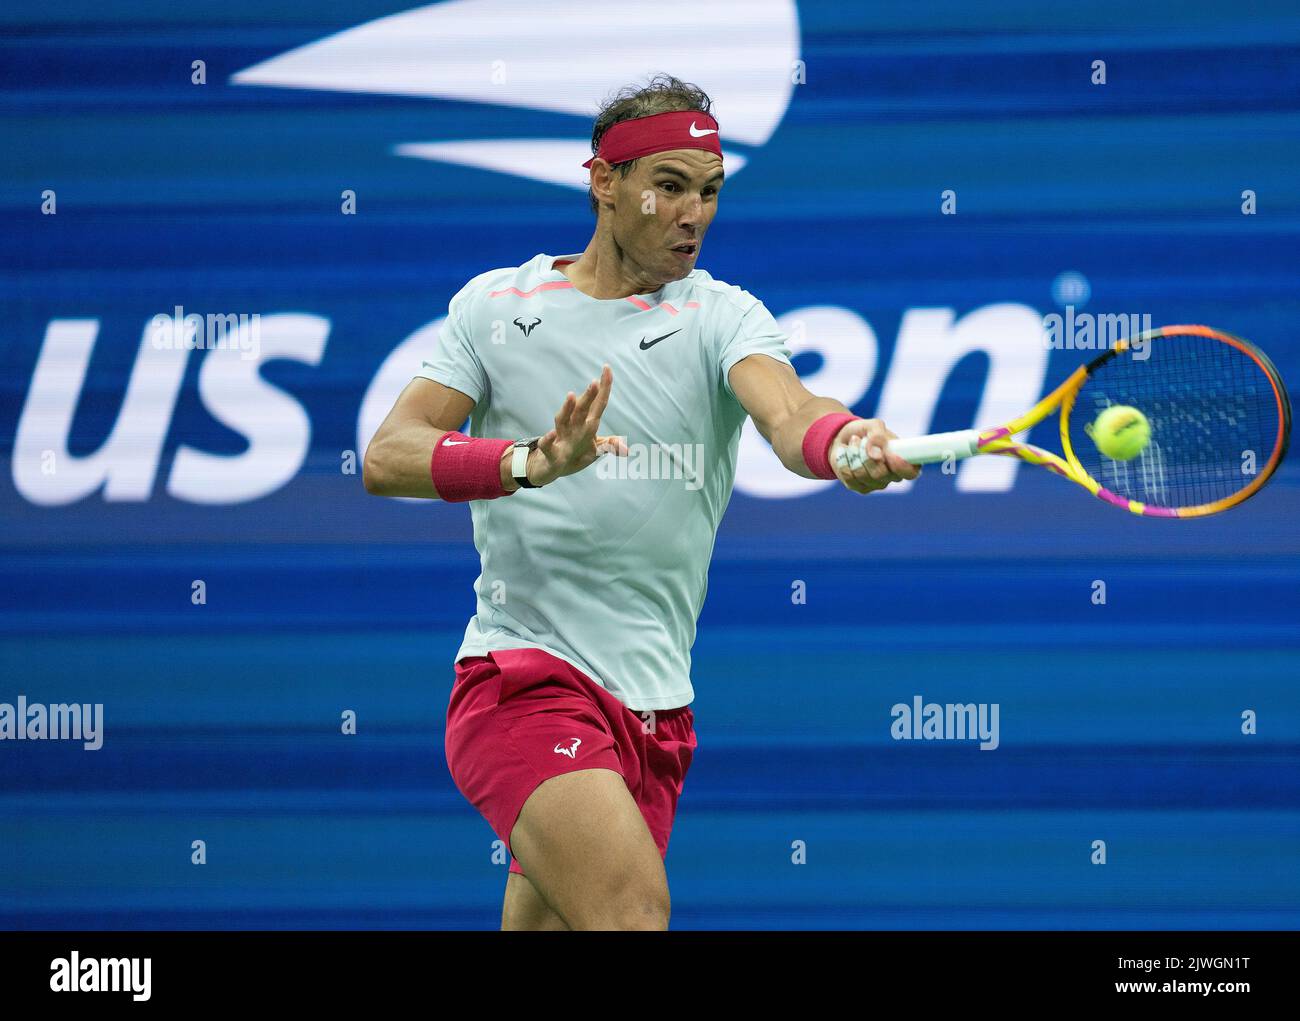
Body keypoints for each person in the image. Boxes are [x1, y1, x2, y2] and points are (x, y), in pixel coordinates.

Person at [363, 74, 919, 930]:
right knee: (629, 911)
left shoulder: (722, 317)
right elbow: (388, 454)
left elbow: (790, 412)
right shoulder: (498, 309)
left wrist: (842, 444)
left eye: (709, 191)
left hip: (657, 711)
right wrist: (527, 461)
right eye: (667, 186)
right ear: (604, 182)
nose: (692, 213)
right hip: (523, 678)